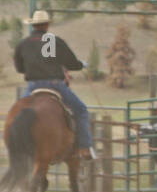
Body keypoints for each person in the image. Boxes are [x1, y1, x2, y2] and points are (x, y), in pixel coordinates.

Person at [12, 9, 95, 161]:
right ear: (47, 25)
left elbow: (19, 68)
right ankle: (84, 147)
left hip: (33, 86)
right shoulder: (54, 41)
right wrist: (81, 65)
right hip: (55, 84)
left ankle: (17, 148)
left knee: (19, 114)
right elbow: (71, 63)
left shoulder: (23, 44)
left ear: (33, 25)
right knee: (81, 110)